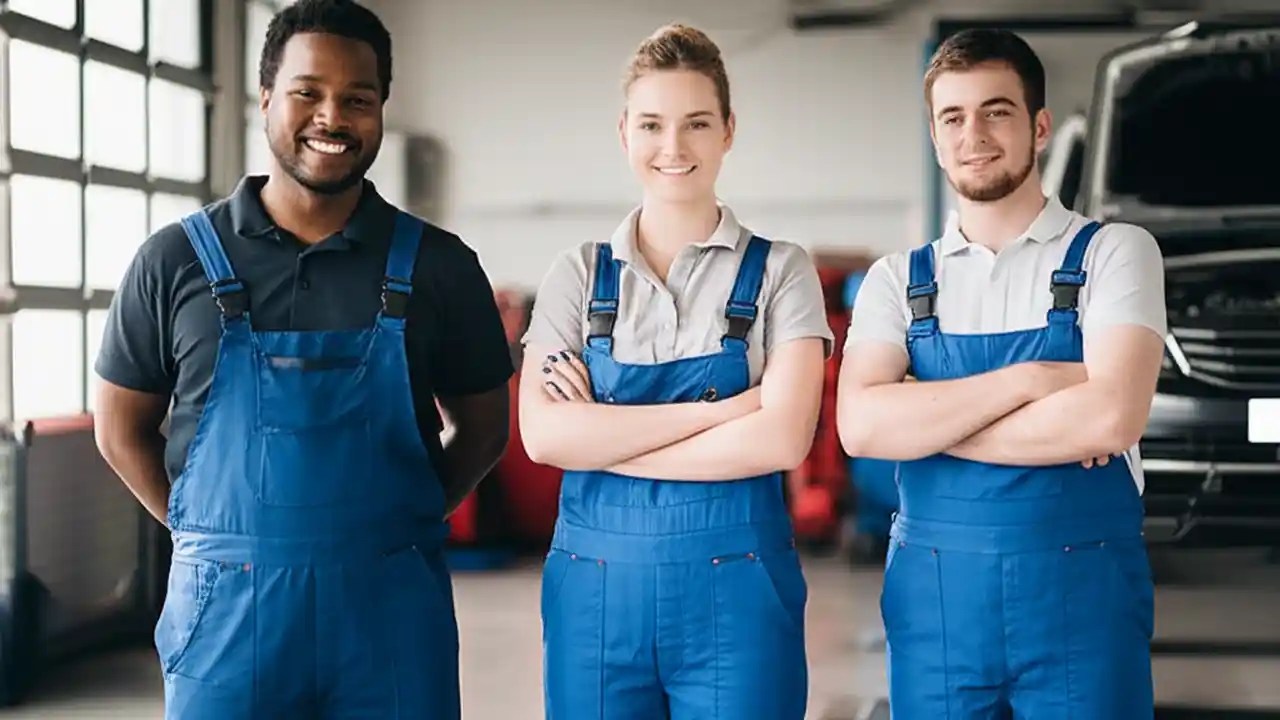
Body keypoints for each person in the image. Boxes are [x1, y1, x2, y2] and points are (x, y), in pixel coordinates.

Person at [92, 1, 513, 717]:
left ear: (382, 108)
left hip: (389, 610)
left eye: (359, 98)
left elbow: (484, 428)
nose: (333, 117)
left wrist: (401, 521)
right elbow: (118, 427)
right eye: (307, 92)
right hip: (225, 614)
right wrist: (206, 532)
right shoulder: (173, 261)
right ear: (265, 100)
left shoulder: (440, 266)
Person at [837, 28, 1165, 719]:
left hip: (1083, 605)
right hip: (937, 613)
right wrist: (1028, 382)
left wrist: (924, 418)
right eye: (952, 117)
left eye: (997, 111)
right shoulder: (895, 282)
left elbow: (1110, 417)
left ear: (1040, 126)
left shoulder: (1116, 254)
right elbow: (861, 426)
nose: (973, 134)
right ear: (934, 136)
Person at [519, 23, 833, 720]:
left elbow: (781, 442)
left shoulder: (783, 271)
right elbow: (545, 439)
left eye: (696, 123)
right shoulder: (576, 274)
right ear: (624, 132)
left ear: (728, 130)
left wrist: (603, 431)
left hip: (739, 600)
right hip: (595, 604)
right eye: (653, 125)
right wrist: (724, 411)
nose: (673, 147)